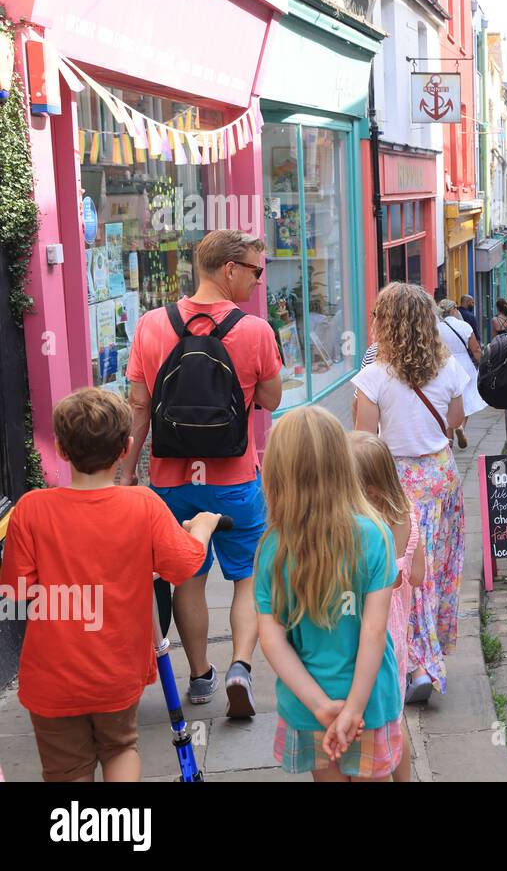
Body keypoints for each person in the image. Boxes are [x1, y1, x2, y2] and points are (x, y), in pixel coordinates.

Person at [0, 388, 216, 781]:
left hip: (51, 678)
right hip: (115, 672)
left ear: (62, 450)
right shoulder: (143, 506)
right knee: (120, 748)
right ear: (126, 448)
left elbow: (14, 594)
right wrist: (201, 529)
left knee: (66, 769)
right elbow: (183, 565)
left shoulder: (30, 510)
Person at [122, 229, 282, 717]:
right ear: (229, 268)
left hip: (171, 484)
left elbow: (139, 407)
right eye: (256, 271)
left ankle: (199, 677)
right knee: (247, 578)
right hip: (234, 479)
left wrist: (128, 473)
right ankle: (239, 666)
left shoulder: (151, 325)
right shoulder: (254, 330)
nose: (259, 281)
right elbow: (271, 400)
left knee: (187, 578)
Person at [255, 407, 403, 782]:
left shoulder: (273, 547)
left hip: (308, 705)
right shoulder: (374, 535)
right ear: (342, 465)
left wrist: (321, 706)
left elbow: (272, 641)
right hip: (368, 700)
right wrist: (353, 708)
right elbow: (372, 632)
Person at [353, 284, 467, 702]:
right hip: (440, 475)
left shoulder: (373, 377)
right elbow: (454, 420)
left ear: (386, 322)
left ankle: (415, 662)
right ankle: (427, 655)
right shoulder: (448, 368)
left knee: (402, 574)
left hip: (392, 481)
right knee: (434, 569)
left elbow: (363, 438)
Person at [349, 431, 421, 783]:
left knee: (375, 719)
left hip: (373, 636)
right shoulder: (410, 514)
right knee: (396, 716)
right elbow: (419, 575)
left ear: (369, 490)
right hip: (400, 635)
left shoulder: (365, 531)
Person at [438, 298, 486, 449]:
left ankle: (449, 439)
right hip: (464, 366)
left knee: (446, 402)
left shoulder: (436, 328)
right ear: (453, 310)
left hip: (444, 365)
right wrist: (483, 366)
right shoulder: (464, 326)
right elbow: (476, 349)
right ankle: (461, 427)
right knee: (464, 400)